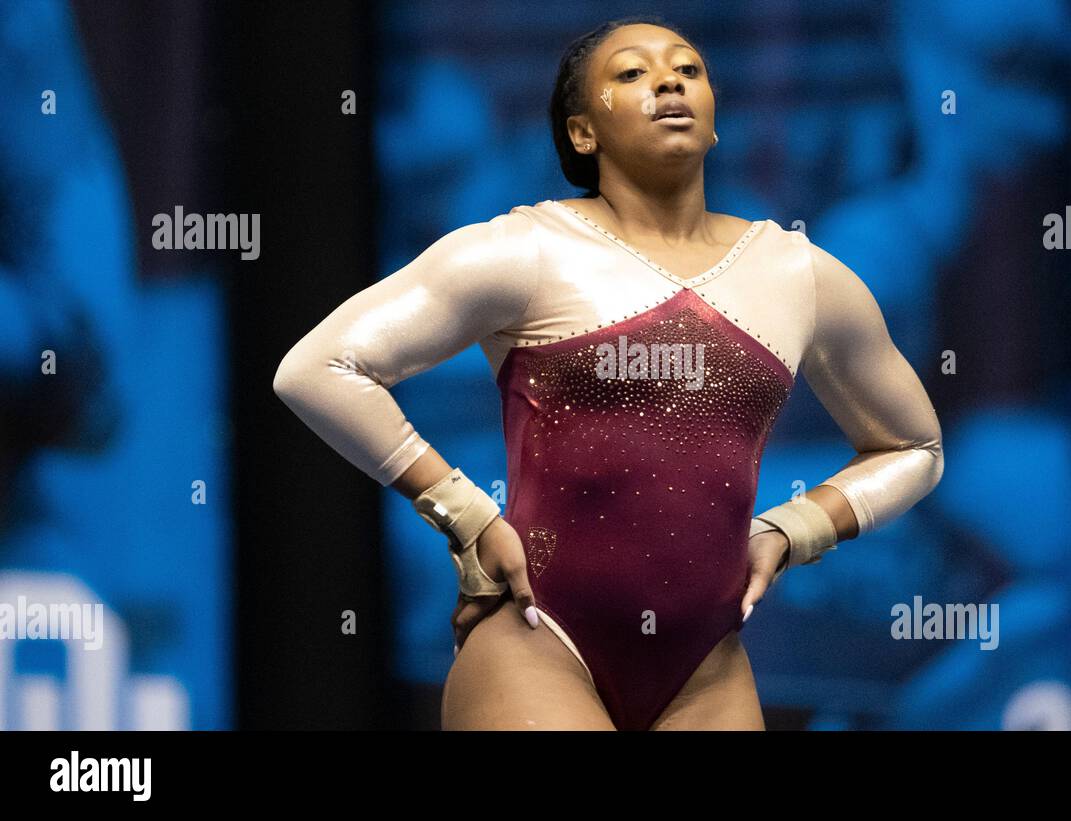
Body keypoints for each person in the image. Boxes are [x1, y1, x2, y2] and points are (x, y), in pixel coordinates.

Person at [273, 16, 943, 730]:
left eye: (688, 69)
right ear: (583, 132)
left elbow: (914, 448)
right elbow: (318, 367)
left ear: (715, 119)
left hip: (706, 666)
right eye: (631, 73)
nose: (668, 81)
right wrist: (463, 512)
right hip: (538, 639)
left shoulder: (801, 276)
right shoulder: (522, 251)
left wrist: (793, 529)